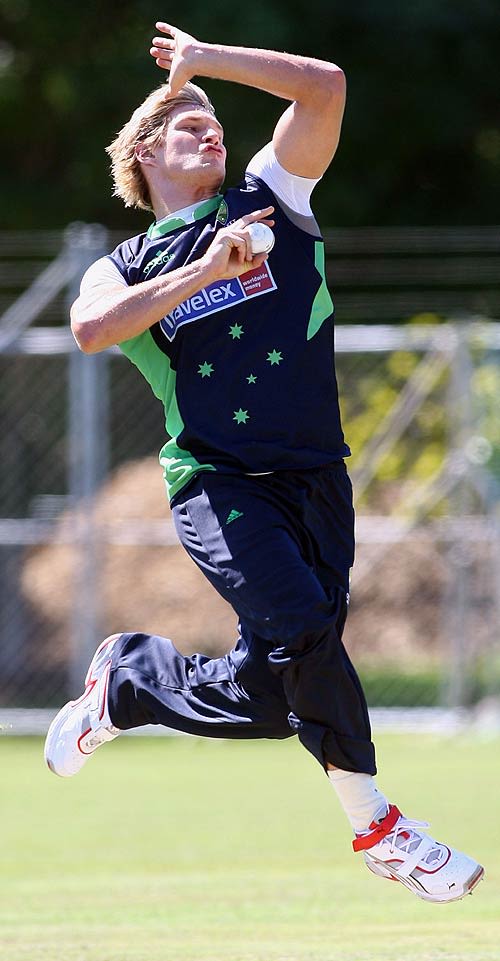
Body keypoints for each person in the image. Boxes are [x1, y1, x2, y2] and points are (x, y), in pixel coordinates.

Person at [44, 22, 483, 903]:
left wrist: (204, 63)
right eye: (187, 122)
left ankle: (129, 682)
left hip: (318, 477)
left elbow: (324, 86)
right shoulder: (121, 265)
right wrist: (206, 271)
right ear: (144, 153)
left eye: (214, 118)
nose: (210, 127)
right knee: (302, 628)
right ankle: (381, 827)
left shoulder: (272, 196)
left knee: (276, 696)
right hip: (217, 481)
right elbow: (93, 329)